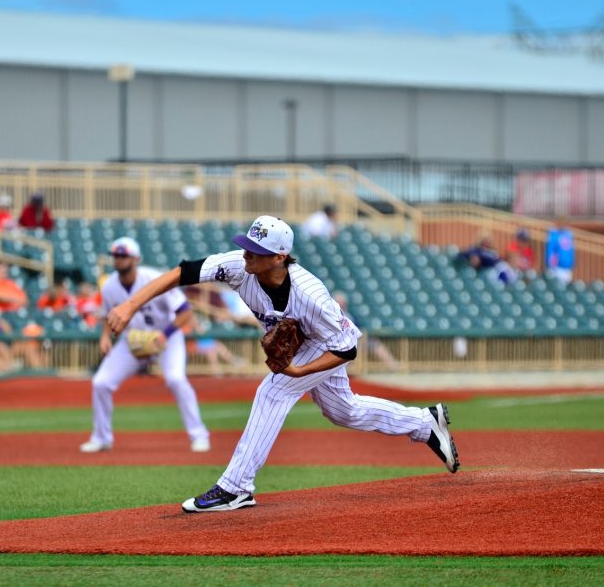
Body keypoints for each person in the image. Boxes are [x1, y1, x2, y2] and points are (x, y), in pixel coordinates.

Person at [105, 216, 459, 513]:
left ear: (279, 257)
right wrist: (130, 306)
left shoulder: (311, 295)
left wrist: (300, 371)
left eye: (256, 251)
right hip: (309, 343)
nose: (247, 254)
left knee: (272, 391)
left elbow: (347, 350)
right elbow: (183, 272)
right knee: (343, 411)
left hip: (327, 343)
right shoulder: (237, 266)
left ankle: (235, 487)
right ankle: (423, 422)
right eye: (247, 246)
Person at [83, 236, 210, 455]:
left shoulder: (153, 279)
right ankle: (101, 438)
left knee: (176, 379)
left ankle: (199, 435)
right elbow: (107, 314)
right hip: (133, 340)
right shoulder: (110, 285)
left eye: (123, 255)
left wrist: (164, 335)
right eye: (116, 255)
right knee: (101, 383)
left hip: (167, 337)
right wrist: (105, 337)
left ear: (136, 258)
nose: (119, 259)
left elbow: (186, 313)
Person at [332, 291, 399, 372]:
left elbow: (360, 329)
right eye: (340, 303)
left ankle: (392, 365)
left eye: (343, 303)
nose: (342, 304)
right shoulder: (333, 316)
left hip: (357, 340)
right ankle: (352, 368)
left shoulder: (349, 315)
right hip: (343, 343)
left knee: (374, 343)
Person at [545, 217, 575, 284]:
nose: (563, 225)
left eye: (565, 223)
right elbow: (551, 252)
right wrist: (552, 266)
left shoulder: (568, 235)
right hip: (556, 268)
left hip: (567, 268)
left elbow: (570, 253)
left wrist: (571, 264)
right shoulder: (553, 236)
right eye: (561, 223)